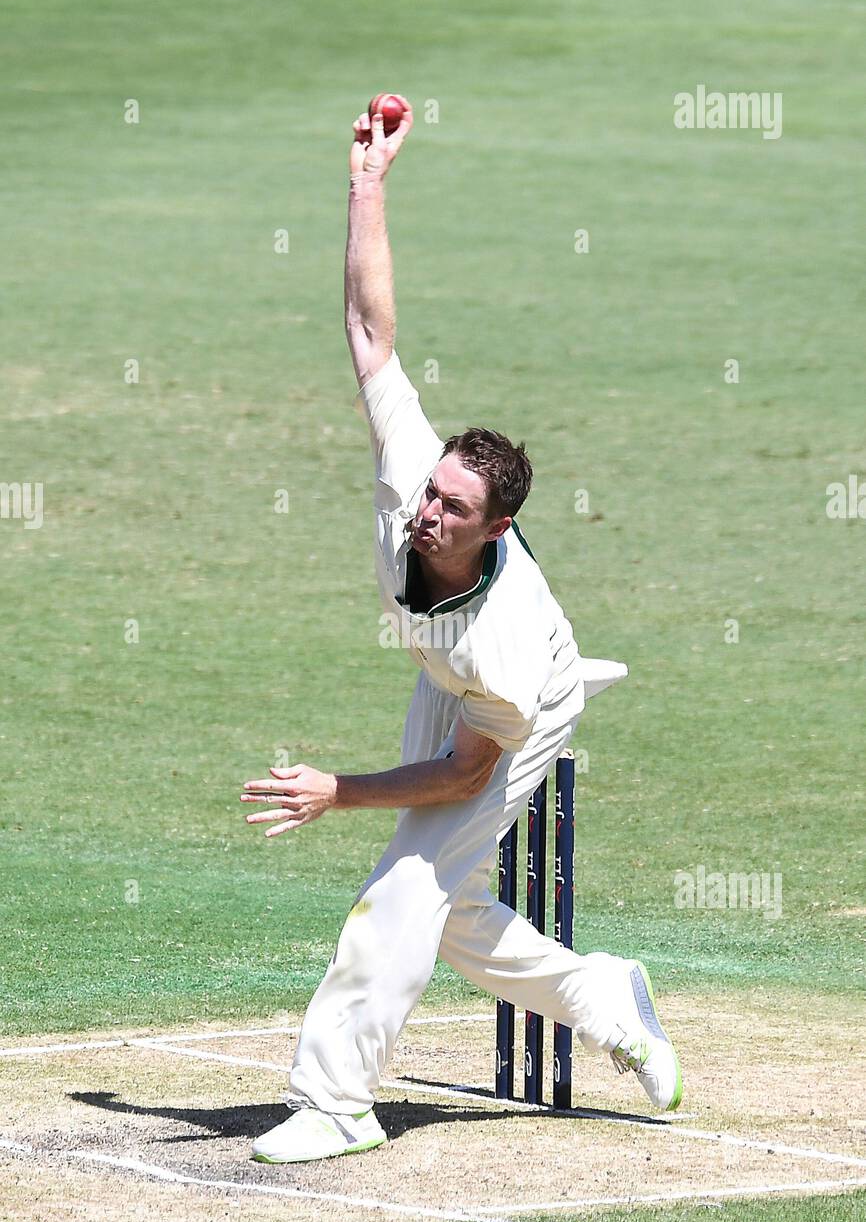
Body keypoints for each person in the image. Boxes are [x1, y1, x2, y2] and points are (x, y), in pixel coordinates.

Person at [241, 98, 682, 1164]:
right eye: (430, 493)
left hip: (507, 707)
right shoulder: (412, 476)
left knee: (402, 883)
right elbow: (367, 330)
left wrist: (338, 790)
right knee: (447, 904)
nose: (426, 511)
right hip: (442, 665)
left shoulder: (504, 645)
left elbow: (452, 774)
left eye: (451, 507)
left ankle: (336, 1101)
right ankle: (602, 995)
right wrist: (366, 183)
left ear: (497, 529)